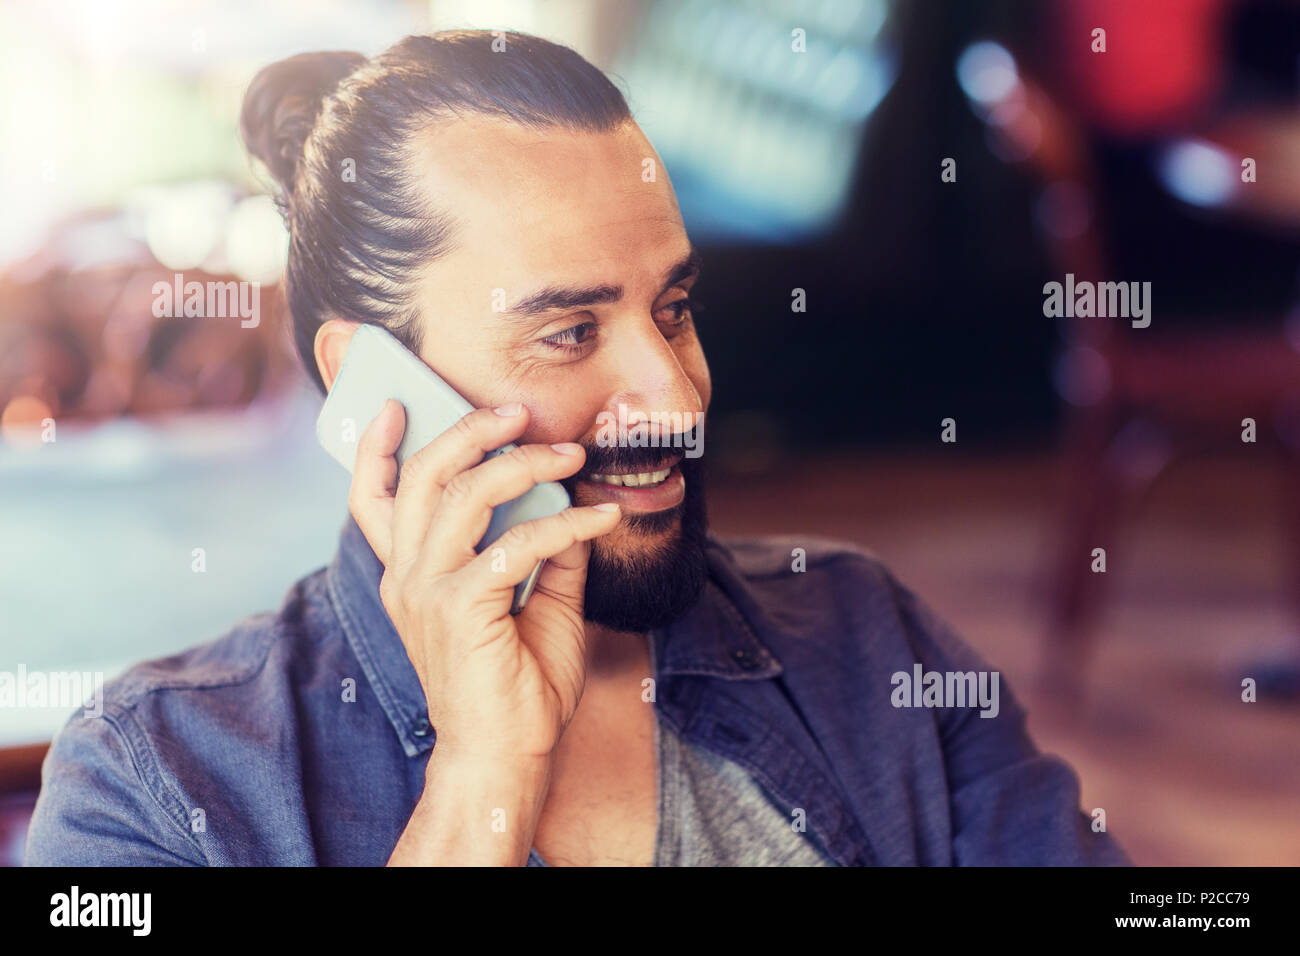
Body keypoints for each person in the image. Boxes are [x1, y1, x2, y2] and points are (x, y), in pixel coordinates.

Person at [25, 29, 1129, 866]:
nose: (675, 390)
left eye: (676, 307)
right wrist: (484, 775)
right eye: (569, 330)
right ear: (373, 384)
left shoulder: (869, 640)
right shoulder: (155, 783)